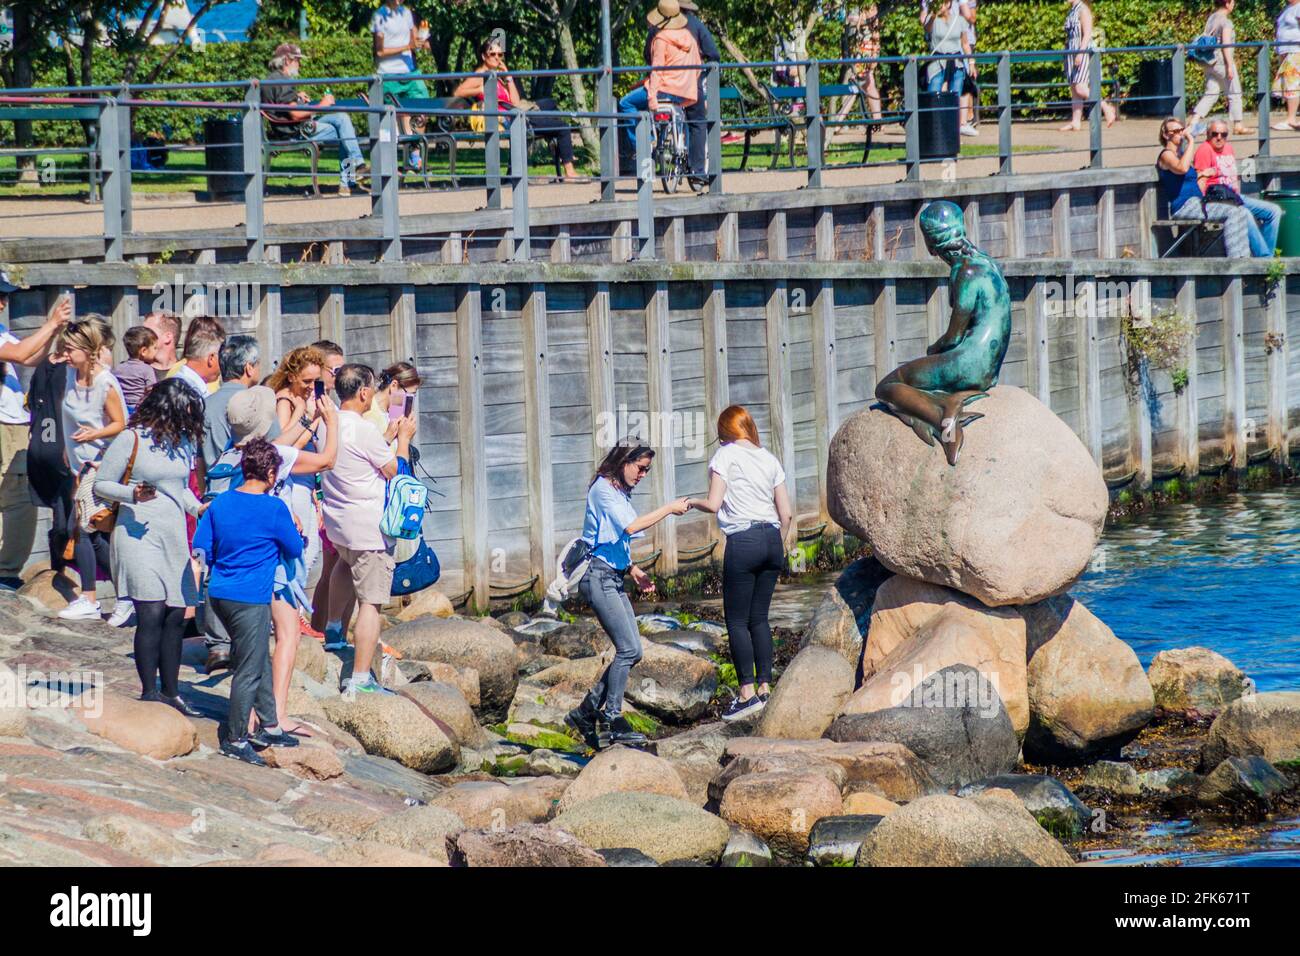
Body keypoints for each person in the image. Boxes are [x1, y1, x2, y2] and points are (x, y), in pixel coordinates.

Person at [207, 386, 337, 736]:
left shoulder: (233, 455)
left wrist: (307, 419)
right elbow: (326, 460)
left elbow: (288, 442)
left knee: (252, 644)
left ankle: (257, 714)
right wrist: (331, 421)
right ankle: (273, 715)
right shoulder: (272, 455)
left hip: (230, 574)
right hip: (271, 563)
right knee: (287, 635)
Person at [564, 441, 689, 750]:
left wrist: (633, 569)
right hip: (597, 578)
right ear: (624, 461)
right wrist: (669, 509)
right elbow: (631, 526)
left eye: (648, 469)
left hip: (613, 576)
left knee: (634, 650)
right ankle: (612, 718)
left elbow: (611, 538)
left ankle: (586, 712)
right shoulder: (603, 490)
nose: (643, 474)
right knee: (628, 650)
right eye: (641, 467)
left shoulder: (618, 491)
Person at [94, 378, 206, 715]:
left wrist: (198, 507)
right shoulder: (131, 438)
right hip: (136, 534)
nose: (189, 420)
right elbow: (101, 484)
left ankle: (171, 692)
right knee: (152, 610)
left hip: (172, 536)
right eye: (184, 412)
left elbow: (179, 488)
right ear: (167, 407)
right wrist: (133, 494)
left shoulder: (182, 441)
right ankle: (148, 691)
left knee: (175, 615)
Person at [193, 437, 304, 766]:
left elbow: (202, 547)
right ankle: (237, 737)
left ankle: (268, 725)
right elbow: (295, 548)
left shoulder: (221, 503)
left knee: (256, 659)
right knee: (248, 670)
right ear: (271, 472)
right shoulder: (273, 508)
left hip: (220, 596)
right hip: (251, 598)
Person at [686, 407, 792, 721]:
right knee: (759, 619)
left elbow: (714, 503)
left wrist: (691, 502)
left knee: (736, 621)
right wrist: (779, 546)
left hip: (743, 541)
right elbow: (785, 514)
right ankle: (764, 688)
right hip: (773, 540)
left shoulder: (725, 455)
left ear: (726, 432)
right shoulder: (770, 458)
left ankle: (745, 694)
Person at [321, 364, 415, 695]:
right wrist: (402, 440)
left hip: (339, 523)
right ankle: (360, 678)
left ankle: (333, 630)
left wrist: (385, 438)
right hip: (369, 528)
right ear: (363, 392)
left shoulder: (327, 424)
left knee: (344, 566)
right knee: (371, 604)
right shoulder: (364, 430)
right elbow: (395, 472)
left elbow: (356, 458)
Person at [196, 333, 262, 669]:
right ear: (250, 366)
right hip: (245, 491)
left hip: (213, 491)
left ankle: (217, 644)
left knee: (214, 567)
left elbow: (198, 458)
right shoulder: (253, 403)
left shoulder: (205, 403)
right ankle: (244, 643)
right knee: (247, 564)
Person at [0, 277, 70, 590]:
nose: (3, 303)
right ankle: (5, 573)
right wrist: (50, 323)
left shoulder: (2, 332)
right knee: (15, 499)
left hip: (12, 426)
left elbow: (28, 356)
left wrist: (54, 333)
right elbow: (20, 354)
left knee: (18, 498)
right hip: (4, 428)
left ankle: (7, 572)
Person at [57, 316, 126, 621]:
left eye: (72, 349)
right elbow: (70, 416)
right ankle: (128, 592)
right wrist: (66, 448)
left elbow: (121, 424)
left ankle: (89, 598)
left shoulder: (105, 383)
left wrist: (92, 435)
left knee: (84, 526)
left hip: (100, 462)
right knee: (95, 532)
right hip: (78, 462)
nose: (67, 353)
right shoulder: (72, 375)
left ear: (89, 349)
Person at [453, 36, 582, 182]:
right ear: (484, 56)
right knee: (563, 127)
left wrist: (508, 77)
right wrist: (480, 89)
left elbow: (515, 102)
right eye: (492, 54)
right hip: (509, 119)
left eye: (500, 54)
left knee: (550, 103)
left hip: (514, 112)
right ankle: (569, 171)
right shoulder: (480, 75)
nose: (497, 58)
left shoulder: (497, 74)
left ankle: (552, 140)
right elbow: (458, 92)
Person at [262, 43, 368, 197]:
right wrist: (322, 105)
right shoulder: (283, 81)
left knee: (342, 119)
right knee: (344, 129)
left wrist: (297, 97)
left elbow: (282, 104)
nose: (300, 64)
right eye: (297, 60)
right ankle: (351, 177)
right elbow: (295, 115)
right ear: (286, 61)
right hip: (296, 130)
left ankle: (352, 176)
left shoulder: (274, 79)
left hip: (290, 128)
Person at [646, 0, 720, 187]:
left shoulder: (658, 28)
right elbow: (713, 53)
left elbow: (648, 55)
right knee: (697, 123)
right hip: (690, 86)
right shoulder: (694, 26)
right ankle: (697, 171)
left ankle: (645, 150)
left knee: (634, 107)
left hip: (664, 86)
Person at [619, 1, 701, 166]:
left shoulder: (661, 39)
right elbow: (697, 67)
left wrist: (652, 97)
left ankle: (643, 143)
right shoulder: (689, 38)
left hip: (664, 89)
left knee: (625, 103)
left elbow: (657, 70)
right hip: (684, 92)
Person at [1156, 117, 1252, 258]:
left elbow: (1186, 177)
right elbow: (1181, 169)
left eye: (1181, 130)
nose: (1180, 134)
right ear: (1165, 135)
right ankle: (1235, 261)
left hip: (1198, 203)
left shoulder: (1180, 155)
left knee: (1241, 211)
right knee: (1233, 213)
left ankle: (1244, 258)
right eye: (1175, 131)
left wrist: (1202, 173)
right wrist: (1191, 142)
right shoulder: (1166, 155)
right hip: (1184, 206)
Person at [1194, 120, 1283, 258]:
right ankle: (1265, 261)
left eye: (1223, 134)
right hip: (1218, 199)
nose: (1219, 137)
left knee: (1273, 211)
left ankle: (1264, 256)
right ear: (1207, 134)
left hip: (1235, 197)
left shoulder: (1228, 148)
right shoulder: (1204, 150)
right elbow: (1200, 181)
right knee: (1244, 213)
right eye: (1215, 134)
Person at [309, 339, 347, 636]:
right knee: (330, 567)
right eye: (335, 369)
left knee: (332, 565)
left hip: (327, 489)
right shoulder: (314, 404)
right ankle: (323, 628)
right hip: (319, 491)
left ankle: (325, 628)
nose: (339, 374)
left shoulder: (328, 402)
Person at [371, 0, 431, 160]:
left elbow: (417, 44)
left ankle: (415, 154)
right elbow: (380, 51)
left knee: (423, 109)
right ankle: (392, 161)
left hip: (411, 73)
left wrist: (422, 41)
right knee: (390, 120)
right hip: (389, 74)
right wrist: (407, 46)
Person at [1189, 0, 1251, 138]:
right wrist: (1229, 65)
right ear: (1227, 4)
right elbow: (1226, 45)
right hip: (1221, 62)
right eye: (1233, 2)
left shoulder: (1212, 18)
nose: (1234, 5)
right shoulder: (1226, 22)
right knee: (1234, 91)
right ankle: (1238, 124)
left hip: (1209, 61)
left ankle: (1194, 121)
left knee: (1212, 91)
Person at [1061, 0, 1116, 131]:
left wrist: (1080, 52)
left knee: (1081, 87)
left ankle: (1106, 108)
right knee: (1074, 88)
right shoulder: (1072, 10)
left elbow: (1087, 34)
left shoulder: (1083, 10)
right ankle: (1075, 121)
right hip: (1071, 52)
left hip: (1082, 51)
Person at [924, 0, 975, 139]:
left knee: (954, 97)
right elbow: (927, 28)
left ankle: (952, 135)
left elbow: (965, 44)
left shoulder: (959, 21)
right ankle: (933, 134)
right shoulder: (932, 20)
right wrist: (933, 15)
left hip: (955, 62)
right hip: (937, 62)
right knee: (934, 96)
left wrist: (971, 62)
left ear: (948, 4)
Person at [843, 6, 884, 124]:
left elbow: (876, 36)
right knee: (857, 88)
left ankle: (878, 121)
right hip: (859, 53)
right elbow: (851, 20)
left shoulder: (872, 12)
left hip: (867, 52)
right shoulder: (858, 8)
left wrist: (874, 57)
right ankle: (837, 121)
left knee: (867, 86)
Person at [170, 315, 225, 401]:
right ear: (211, 359)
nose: (223, 363)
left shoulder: (179, 383)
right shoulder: (186, 393)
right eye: (221, 357)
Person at [363, 360, 421, 441]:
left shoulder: (392, 412)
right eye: (409, 396)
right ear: (394, 386)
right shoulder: (368, 413)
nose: (409, 403)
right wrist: (403, 439)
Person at [114, 325, 158, 415]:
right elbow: (152, 390)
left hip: (122, 408)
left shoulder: (118, 368)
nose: (156, 351)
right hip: (141, 409)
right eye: (155, 348)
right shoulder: (147, 369)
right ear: (144, 351)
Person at [1272, 0, 1300, 131]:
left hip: (1296, 51)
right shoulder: (1288, 8)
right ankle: (1291, 118)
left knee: (1292, 84)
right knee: (1288, 84)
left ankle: (1291, 119)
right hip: (1287, 52)